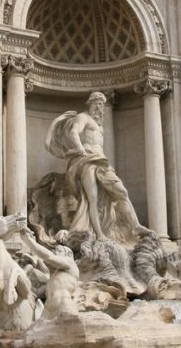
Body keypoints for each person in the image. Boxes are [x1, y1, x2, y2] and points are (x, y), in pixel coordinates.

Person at [46, 92, 145, 246]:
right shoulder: (83, 117)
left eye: (102, 104)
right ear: (90, 102)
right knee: (92, 198)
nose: (101, 107)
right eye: (98, 103)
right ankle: (99, 234)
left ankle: (136, 227)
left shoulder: (99, 125)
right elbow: (73, 132)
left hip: (101, 162)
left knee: (121, 192)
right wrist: (80, 149)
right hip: (86, 160)